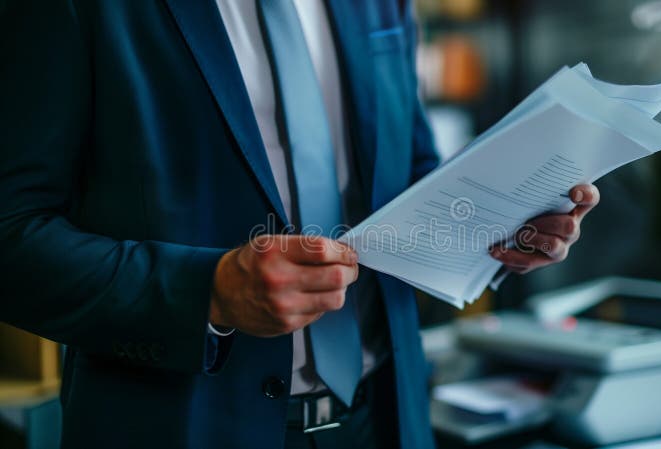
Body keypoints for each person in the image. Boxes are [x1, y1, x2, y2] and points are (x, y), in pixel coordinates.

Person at [0, 1, 599, 448]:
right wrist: (207, 292)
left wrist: (502, 228)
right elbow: (11, 234)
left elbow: (409, 172)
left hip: (386, 420)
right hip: (182, 428)